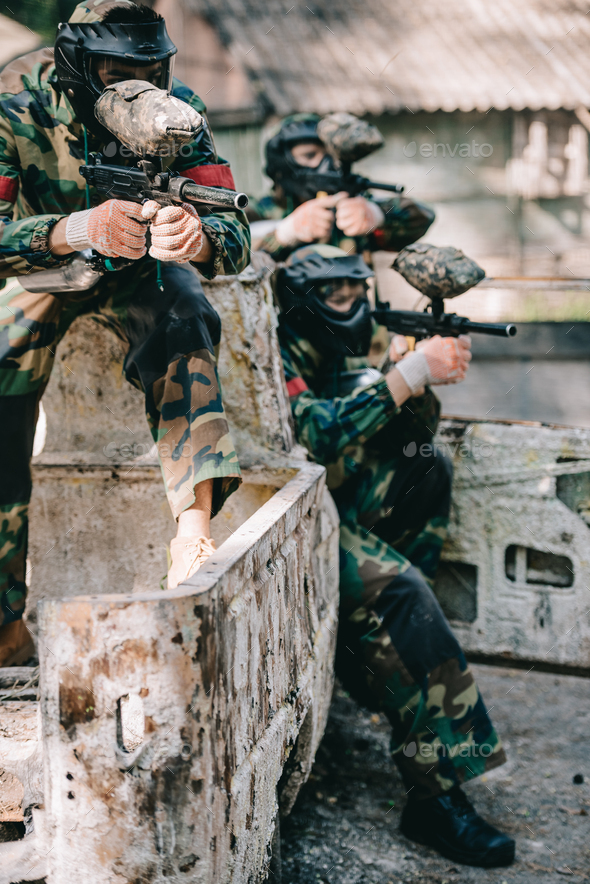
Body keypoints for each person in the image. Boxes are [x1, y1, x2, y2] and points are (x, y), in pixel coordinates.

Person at [0, 0, 251, 665]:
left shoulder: (178, 114)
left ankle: (193, 531)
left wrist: (196, 238)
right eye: (116, 70)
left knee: (187, 310)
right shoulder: (13, 105)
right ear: (79, 62)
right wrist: (76, 229)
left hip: (140, 272)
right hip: (39, 271)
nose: (135, 85)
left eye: (150, 68)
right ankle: (3, 618)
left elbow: (235, 232)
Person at [274, 244, 515, 868]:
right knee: (404, 590)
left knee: (427, 468)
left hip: (336, 500)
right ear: (303, 301)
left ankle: (391, 652)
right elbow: (317, 433)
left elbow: (414, 437)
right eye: (338, 297)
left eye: (359, 293)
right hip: (291, 516)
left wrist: (417, 377)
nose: (353, 307)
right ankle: (433, 798)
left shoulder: (365, 341)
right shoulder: (276, 349)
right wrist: (405, 378)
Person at [248, 113, 435, 262]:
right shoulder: (258, 211)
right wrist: (285, 234)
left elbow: (423, 216)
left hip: (355, 307)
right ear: (280, 163)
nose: (327, 164)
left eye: (331, 155)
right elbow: (230, 256)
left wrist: (377, 215)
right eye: (310, 155)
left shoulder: (351, 203)